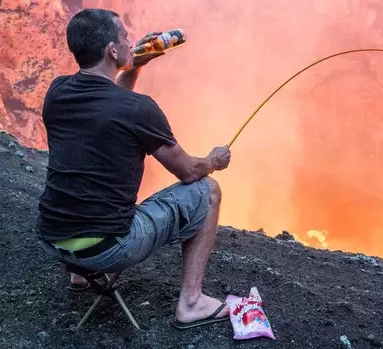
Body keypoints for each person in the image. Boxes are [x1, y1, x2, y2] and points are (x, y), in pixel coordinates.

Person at [35, 8, 231, 329]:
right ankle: (192, 302)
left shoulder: (57, 92)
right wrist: (214, 160)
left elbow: (108, 111)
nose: (131, 40)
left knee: (86, 172)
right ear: (113, 50)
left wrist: (135, 67)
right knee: (207, 190)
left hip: (53, 240)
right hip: (107, 250)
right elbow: (188, 172)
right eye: (125, 36)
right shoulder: (140, 109)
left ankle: (80, 277)